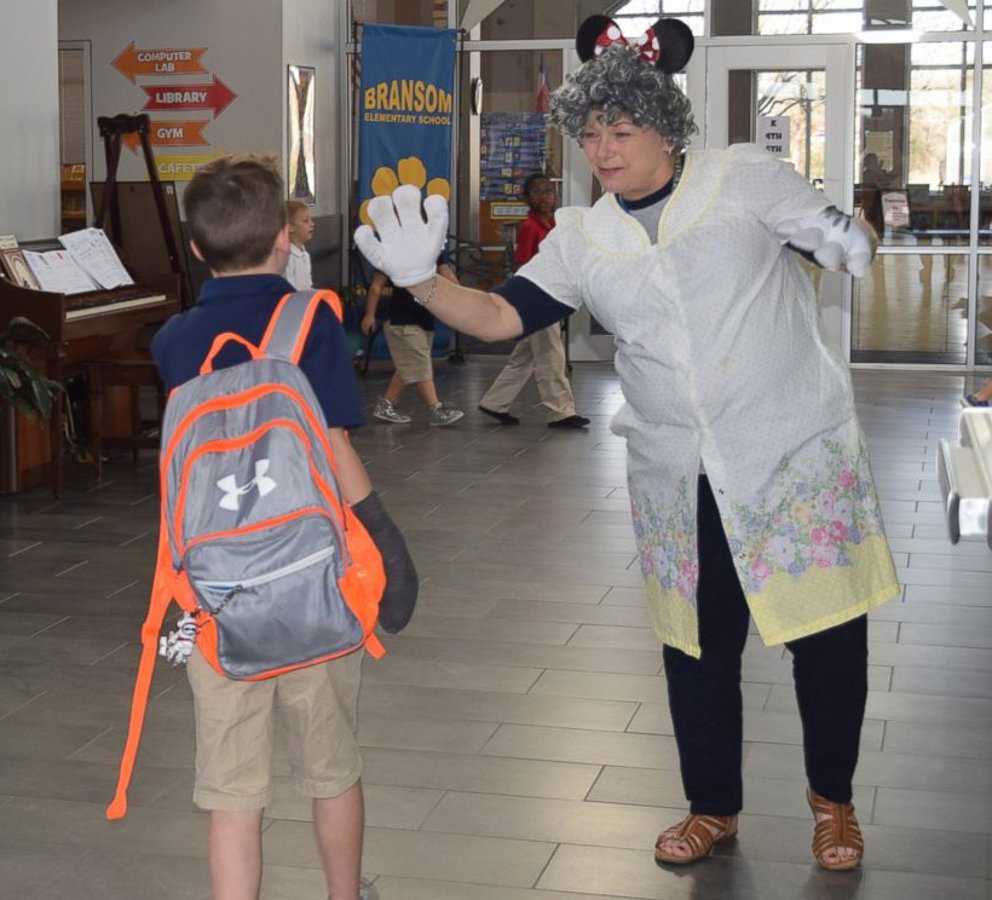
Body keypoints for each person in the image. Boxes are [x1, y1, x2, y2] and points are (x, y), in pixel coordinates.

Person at [355, 15, 898, 874]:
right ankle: (711, 806)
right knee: (695, 644)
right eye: (593, 132)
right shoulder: (584, 236)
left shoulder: (741, 179)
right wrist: (427, 280)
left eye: (623, 129)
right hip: (677, 471)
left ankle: (833, 802)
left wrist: (852, 237)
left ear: (665, 128)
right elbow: (500, 317)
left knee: (828, 637)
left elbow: (838, 242)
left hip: (791, 452)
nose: (604, 148)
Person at [150, 156, 393, 900]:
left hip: (217, 598)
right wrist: (387, 544)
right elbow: (335, 447)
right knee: (331, 767)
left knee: (231, 791)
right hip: (315, 585)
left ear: (196, 250)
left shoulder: (172, 342)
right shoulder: (314, 321)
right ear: (285, 241)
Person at [478, 173, 590, 429]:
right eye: (538, 192)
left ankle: (495, 402)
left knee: (525, 356)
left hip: (552, 294)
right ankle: (561, 411)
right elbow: (523, 264)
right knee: (551, 353)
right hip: (539, 296)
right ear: (527, 198)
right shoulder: (530, 227)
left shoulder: (552, 225)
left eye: (548, 191)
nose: (545, 197)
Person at [360, 257, 464, 426]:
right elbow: (376, 286)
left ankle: (386, 405)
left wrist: (460, 304)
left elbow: (451, 280)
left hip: (425, 319)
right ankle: (437, 409)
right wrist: (370, 314)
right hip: (401, 320)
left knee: (408, 366)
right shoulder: (394, 252)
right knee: (420, 364)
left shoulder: (433, 250)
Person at [284, 199, 315, 290]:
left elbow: (307, 287)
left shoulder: (305, 255)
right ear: (290, 227)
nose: (312, 224)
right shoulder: (287, 257)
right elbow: (290, 291)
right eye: (306, 221)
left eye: (311, 220)